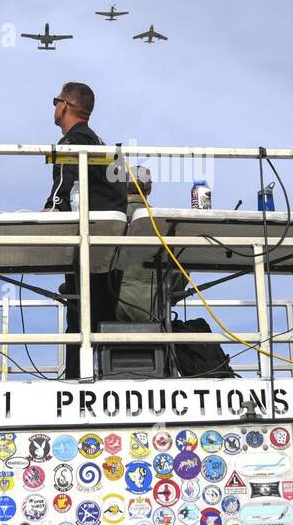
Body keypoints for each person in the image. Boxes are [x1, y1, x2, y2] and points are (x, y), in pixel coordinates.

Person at [44, 82, 127, 378]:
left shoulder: (72, 143)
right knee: (103, 321)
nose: (54, 107)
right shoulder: (101, 144)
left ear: (64, 105)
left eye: (55, 101)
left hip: (88, 247)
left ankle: (77, 383)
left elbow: (61, 194)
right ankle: (107, 380)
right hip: (110, 247)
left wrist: (47, 212)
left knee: (80, 321)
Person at [116, 166, 188, 323]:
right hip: (157, 312)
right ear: (150, 189)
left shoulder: (113, 222)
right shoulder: (167, 224)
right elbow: (181, 272)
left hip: (114, 311)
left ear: (122, 188)